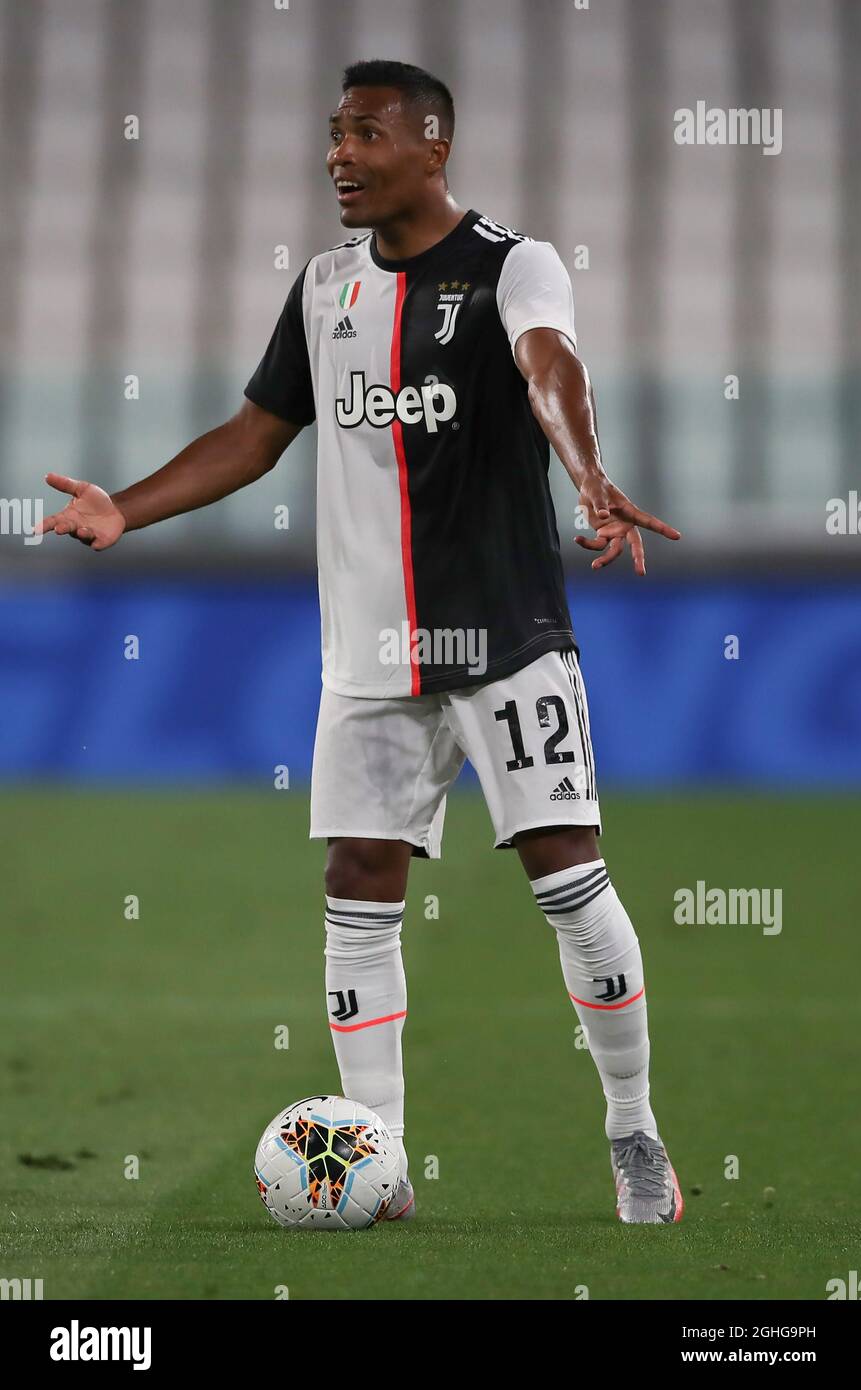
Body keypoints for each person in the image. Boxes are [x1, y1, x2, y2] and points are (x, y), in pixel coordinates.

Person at [39, 59, 683, 1224]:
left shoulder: (509, 264)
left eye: (366, 134)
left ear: (432, 147)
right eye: (334, 134)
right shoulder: (326, 285)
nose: (338, 153)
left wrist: (590, 476)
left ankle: (631, 1130)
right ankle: (375, 1159)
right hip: (369, 655)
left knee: (568, 878)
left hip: (504, 639)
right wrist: (123, 509)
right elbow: (253, 434)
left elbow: (548, 368)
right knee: (355, 882)